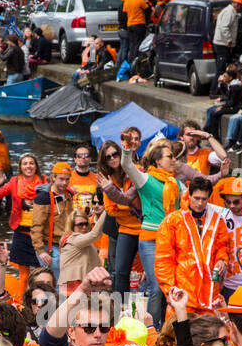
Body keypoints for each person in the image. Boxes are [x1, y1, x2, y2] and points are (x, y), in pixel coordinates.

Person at [120, 138, 181, 327]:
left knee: (170, 286)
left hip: (171, 240)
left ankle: (167, 325)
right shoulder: (146, 179)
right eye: (169, 157)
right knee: (156, 286)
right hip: (150, 240)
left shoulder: (175, 183)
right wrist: (127, 149)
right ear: (157, 161)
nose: (173, 160)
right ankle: (152, 328)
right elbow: (126, 165)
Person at [154, 175, 232, 312]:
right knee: (178, 331)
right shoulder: (172, 221)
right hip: (182, 294)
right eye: (196, 198)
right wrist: (170, 289)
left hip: (209, 296)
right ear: (189, 195)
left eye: (204, 199)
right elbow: (163, 260)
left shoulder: (217, 220)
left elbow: (223, 246)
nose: (200, 203)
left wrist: (222, 260)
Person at [0, 152, 44, 288]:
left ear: (36, 166)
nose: (28, 166)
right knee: (23, 274)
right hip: (21, 233)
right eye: (25, 163)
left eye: (31, 163)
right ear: (20, 167)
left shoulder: (45, 181)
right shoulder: (14, 182)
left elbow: (58, 193)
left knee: (39, 273)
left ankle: (40, 300)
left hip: (40, 234)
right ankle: (24, 303)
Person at [95, 140, 142, 299]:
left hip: (144, 228)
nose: (113, 158)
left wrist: (120, 204)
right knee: (121, 270)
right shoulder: (106, 180)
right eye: (108, 157)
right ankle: (120, 307)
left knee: (147, 270)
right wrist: (128, 208)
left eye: (115, 154)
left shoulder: (134, 173)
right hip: (125, 229)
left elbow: (134, 202)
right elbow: (110, 210)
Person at [30, 160, 74, 274]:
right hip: (49, 248)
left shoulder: (68, 195)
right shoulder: (43, 198)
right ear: (53, 178)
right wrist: (41, 252)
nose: (64, 183)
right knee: (56, 284)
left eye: (67, 179)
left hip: (66, 246)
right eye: (61, 179)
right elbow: (36, 226)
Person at [57, 205, 107, 291]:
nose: (84, 227)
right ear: (72, 226)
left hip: (78, 286)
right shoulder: (73, 239)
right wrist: (107, 209)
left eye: (86, 224)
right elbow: (95, 234)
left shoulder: (81, 240)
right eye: (80, 224)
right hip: (73, 287)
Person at [212, 0, 242, 78]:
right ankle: (215, 89)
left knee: (223, 68)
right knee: (221, 69)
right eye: (241, 6)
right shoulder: (229, 13)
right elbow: (224, 27)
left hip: (222, 43)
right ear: (237, 5)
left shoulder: (229, 11)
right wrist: (229, 40)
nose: (241, 8)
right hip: (223, 44)